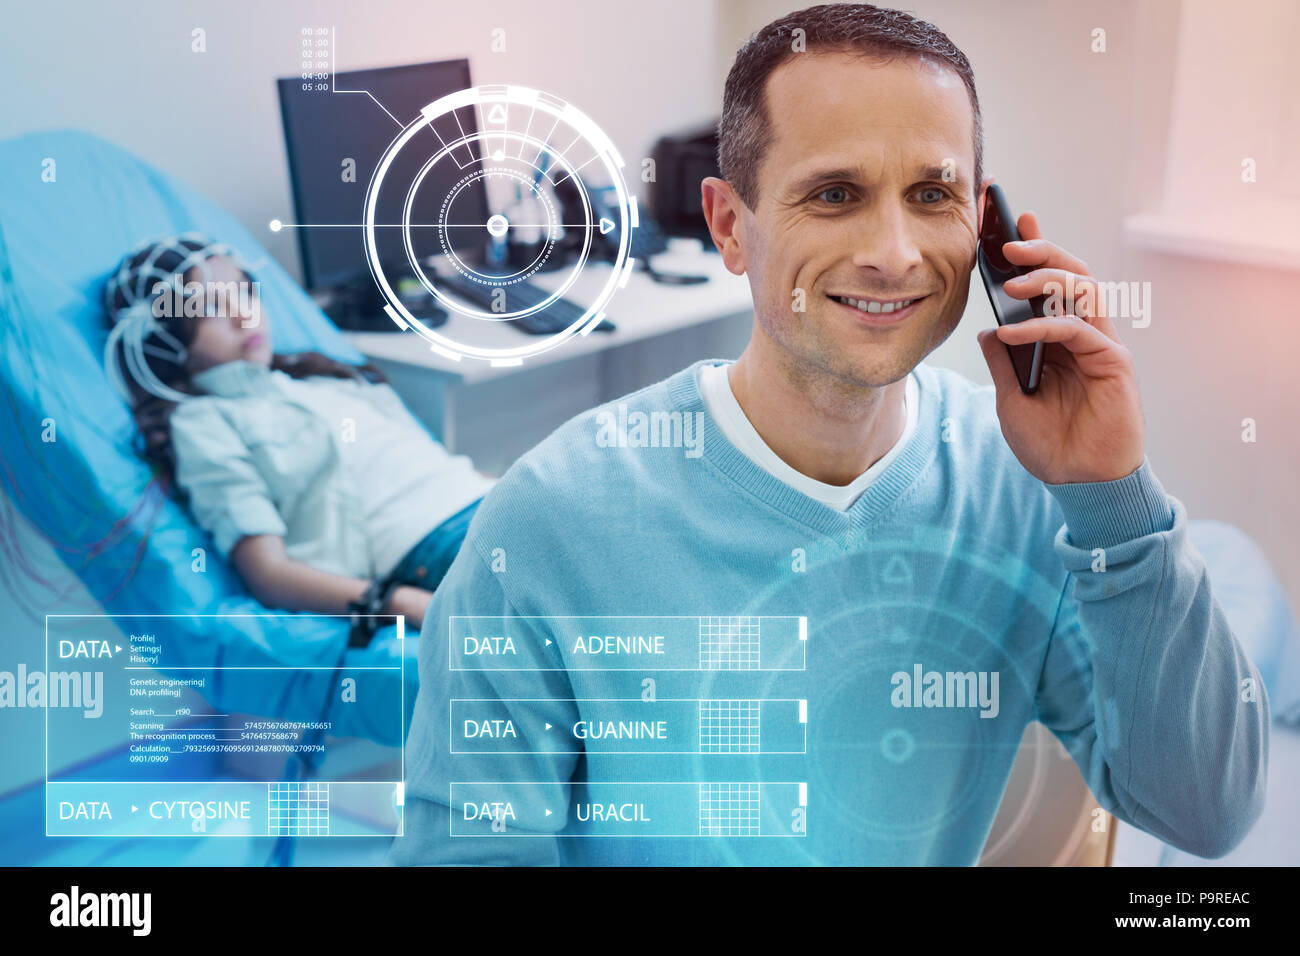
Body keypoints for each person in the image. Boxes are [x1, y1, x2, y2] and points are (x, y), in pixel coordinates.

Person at [392, 3, 1267, 865]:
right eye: (836, 194)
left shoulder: (1029, 491)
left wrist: (1113, 492)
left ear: (985, 227)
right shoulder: (548, 522)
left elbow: (1206, 813)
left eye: (933, 194)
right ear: (731, 225)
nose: (894, 252)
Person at [103, 233, 495, 634]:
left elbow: (429, 465)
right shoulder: (204, 423)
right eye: (209, 309)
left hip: (492, 503)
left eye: (244, 293)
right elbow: (268, 574)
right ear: (165, 342)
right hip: (433, 542)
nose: (244, 316)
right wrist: (400, 602)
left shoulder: (318, 377)